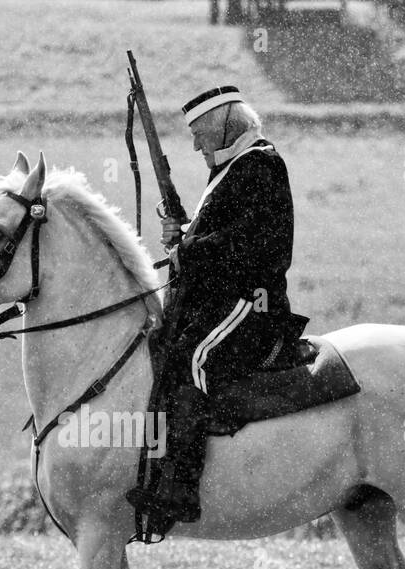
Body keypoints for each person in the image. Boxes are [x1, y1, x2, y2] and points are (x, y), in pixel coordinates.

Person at [126, 85, 300, 523]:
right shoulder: (235, 169)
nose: (195, 144)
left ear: (223, 128)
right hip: (222, 301)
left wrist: (188, 248)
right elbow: (220, 234)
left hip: (250, 304)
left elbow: (246, 242)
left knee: (192, 359)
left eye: (200, 134)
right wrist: (184, 234)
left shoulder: (260, 165)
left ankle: (180, 488)